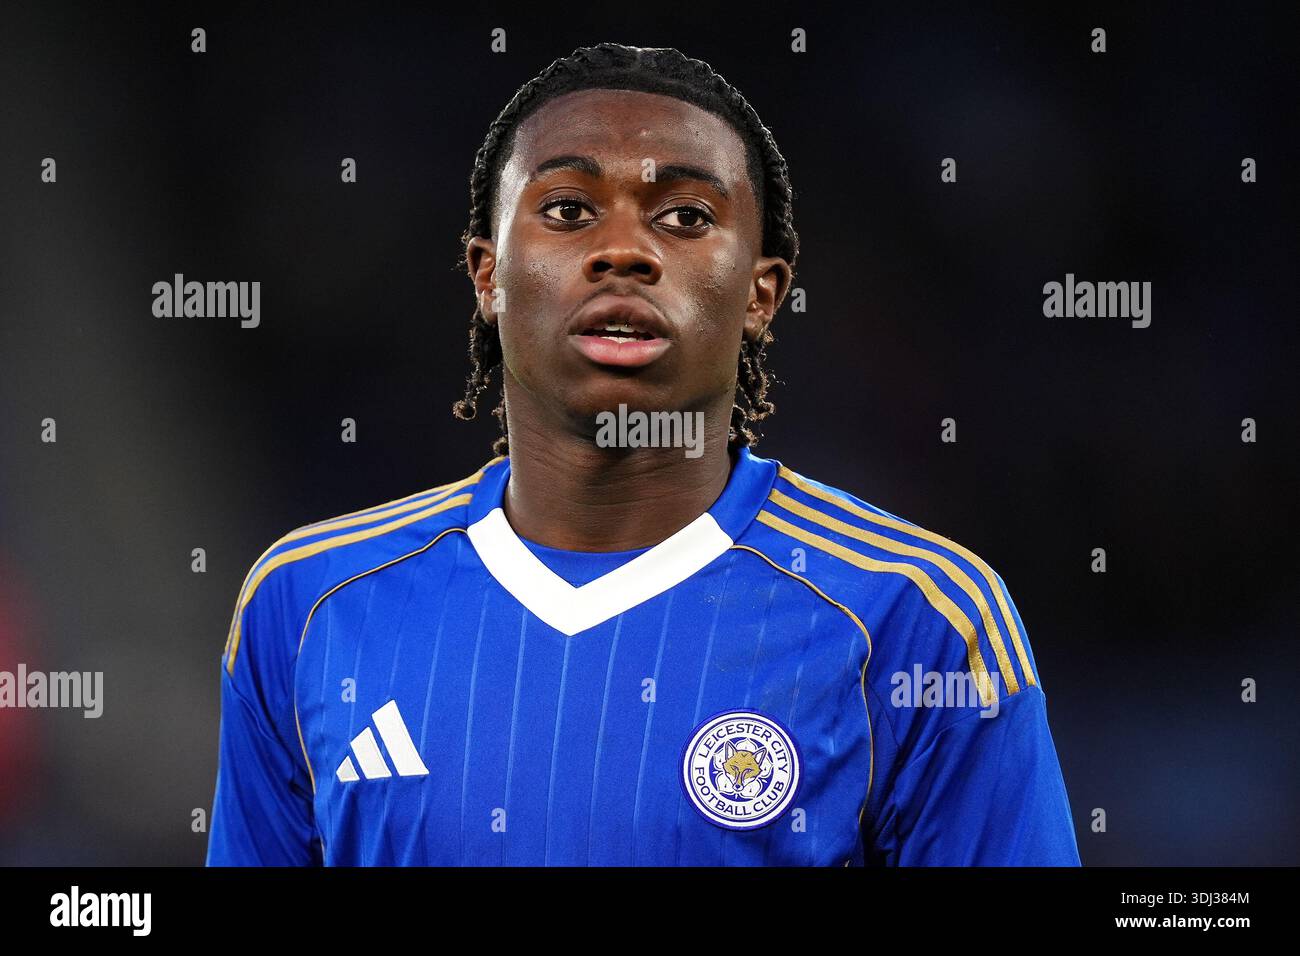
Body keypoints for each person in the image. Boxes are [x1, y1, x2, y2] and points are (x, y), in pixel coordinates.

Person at [206, 43, 1080, 866]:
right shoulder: (308, 604)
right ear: (487, 275)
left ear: (761, 293)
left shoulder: (918, 619)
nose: (622, 250)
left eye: (686, 217)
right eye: (567, 211)